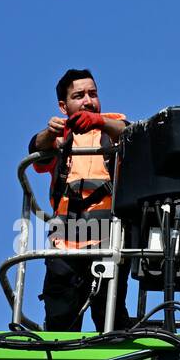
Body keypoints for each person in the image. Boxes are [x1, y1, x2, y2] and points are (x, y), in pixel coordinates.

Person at [27, 68, 131, 332]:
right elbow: (36, 149)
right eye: (79, 95)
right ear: (64, 106)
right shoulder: (59, 137)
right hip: (65, 244)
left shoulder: (113, 126)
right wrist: (50, 134)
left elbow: (133, 136)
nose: (88, 101)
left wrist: (98, 122)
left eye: (92, 94)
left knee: (111, 321)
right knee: (60, 325)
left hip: (109, 241)